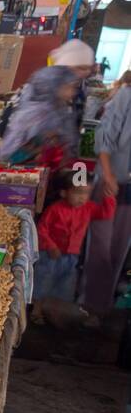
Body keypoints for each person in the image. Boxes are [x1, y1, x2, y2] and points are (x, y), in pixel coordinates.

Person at [33, 169, 114, 323]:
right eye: (78, 192)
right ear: (64, 193)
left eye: (86, 193)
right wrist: (51, 246)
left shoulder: (88, 208)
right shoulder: (55, 209)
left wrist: (109, 198)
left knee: (64, 284)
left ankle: (54, 313)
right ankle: (36, 311)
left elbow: (106, 214)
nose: (82, 197)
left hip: (71, 256)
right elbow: (42, 229)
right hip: (51, 255)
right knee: (43, 280)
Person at [84, 74, 131, 317]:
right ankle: (91, 305)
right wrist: (110, 176)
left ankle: (102, 309)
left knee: (120, 247)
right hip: (111, 181)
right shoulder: (125, 95)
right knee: (101, 246)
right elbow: (105, 139)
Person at [0, 65, 80, 170]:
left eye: (74, 87)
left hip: (48, 170)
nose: (73, 92)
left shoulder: (60, 109)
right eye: (68, 87)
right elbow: (16, 151)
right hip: (25, 172)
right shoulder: (36, 113)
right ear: (54, 86)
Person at [51, 38, 97, 136]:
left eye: (88, 68)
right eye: (81, 68)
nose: (85, 73)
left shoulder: (79, 92)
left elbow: (78, 118)